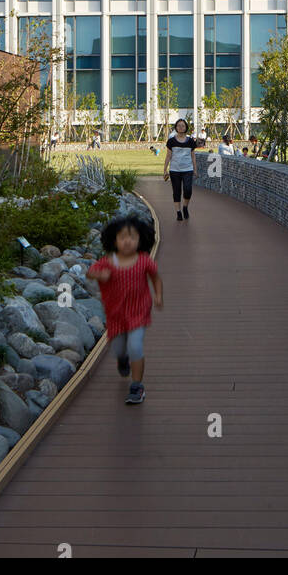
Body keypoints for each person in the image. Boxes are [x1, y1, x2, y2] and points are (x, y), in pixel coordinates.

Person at [87, 214, 161, 405]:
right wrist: (99, 275)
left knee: (135, 346)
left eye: (132, 237)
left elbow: (155, 277)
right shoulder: (108, 261)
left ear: (140, 240)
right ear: (114, 240)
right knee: (119, 347)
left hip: (138, 311)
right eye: (122, 237)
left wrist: (158, 295)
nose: (127, 241)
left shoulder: (143, 260)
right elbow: (91, 271)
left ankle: (137, 386)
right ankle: (122, 359)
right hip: (116, 315)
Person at [163, 117, 198, 222]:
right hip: (175, 170)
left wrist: (195, 170)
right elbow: (168, 156)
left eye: (183, 126)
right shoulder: (171, 141)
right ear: (176, 127)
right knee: (176, 191)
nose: (181, 127)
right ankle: (178, 212)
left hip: (188, 169)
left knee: (188, 190)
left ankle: (185, 207)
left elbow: (193, 156)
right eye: (179, 126)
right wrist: (165, 170)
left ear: (186, 127)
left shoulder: (190, 141)